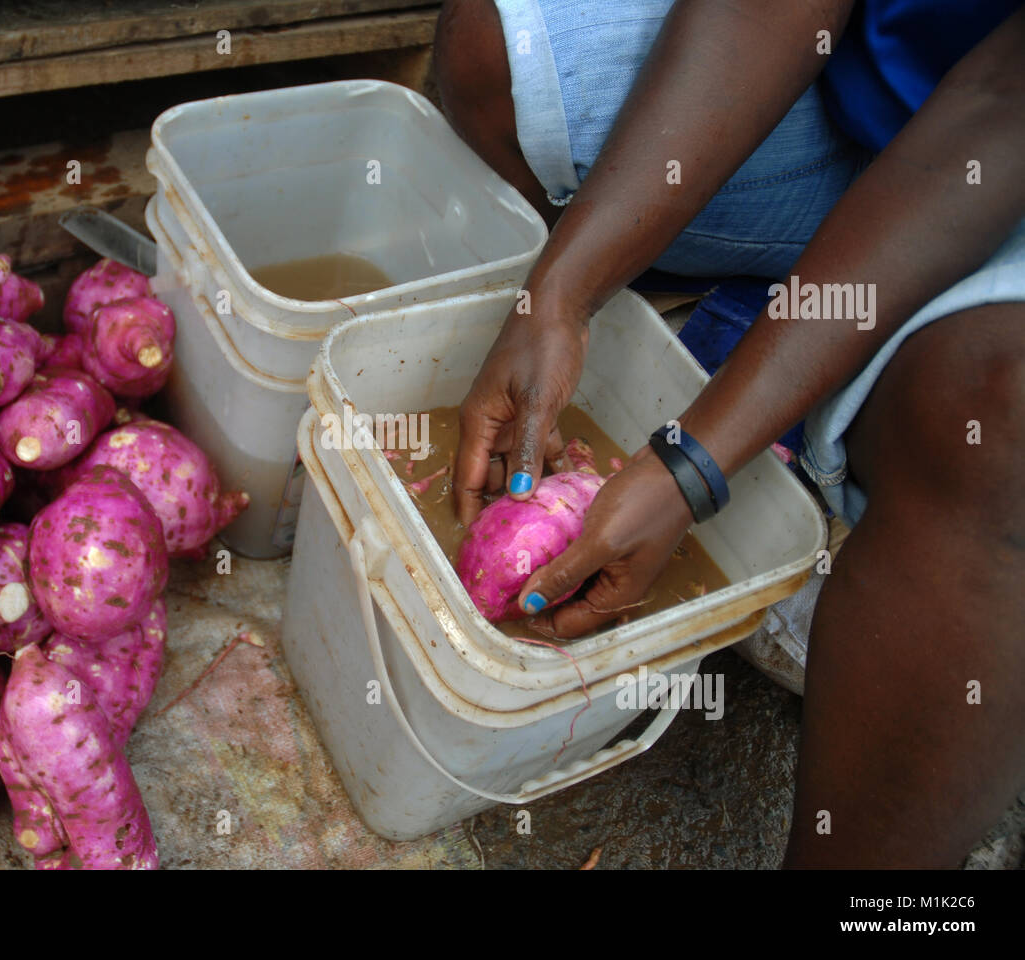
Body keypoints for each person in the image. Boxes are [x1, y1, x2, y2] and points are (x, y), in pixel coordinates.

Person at [437, 0, 1024, 868]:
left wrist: (693, 464)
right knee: (491, 51)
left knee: (992, 418)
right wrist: (560, 292)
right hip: (858, 103)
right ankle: (814, 356)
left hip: (998, 156)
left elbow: (999, 106)